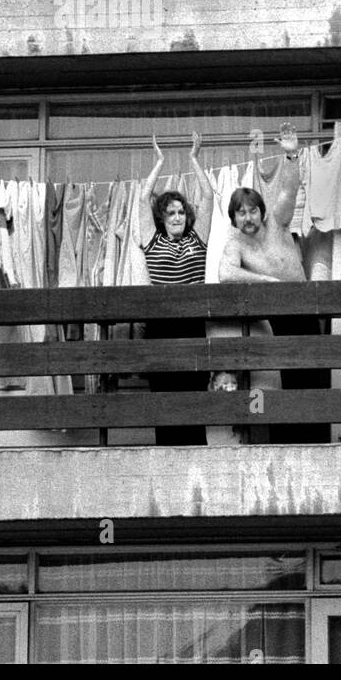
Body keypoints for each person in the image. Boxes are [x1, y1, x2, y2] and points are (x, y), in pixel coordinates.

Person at [212, 123, 305, 434]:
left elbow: (289, 190)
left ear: (261, 212)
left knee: (313, 381)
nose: (248, 217)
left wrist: (291, 156)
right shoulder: (235, 243)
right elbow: (225, 273)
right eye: (241, 213)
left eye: (252, 211)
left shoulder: (278, 223)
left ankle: (313, 440)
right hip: (274, 319)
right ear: (234, 218)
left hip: (305, 310)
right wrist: (266, 281)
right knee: (283, 387)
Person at [140, 131, 216, 445]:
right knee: (164, 400)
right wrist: (159, 162)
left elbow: (209, 197)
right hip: (160, 328)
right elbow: (144, 197)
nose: (177, 217)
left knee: (193, 398)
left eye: (181, 212)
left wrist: (193, 159)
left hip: (192, 326)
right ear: (161, 217)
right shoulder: (152, 240)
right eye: (170, 212)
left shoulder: (197, 240)